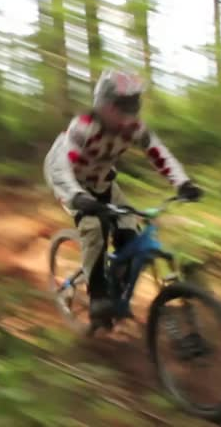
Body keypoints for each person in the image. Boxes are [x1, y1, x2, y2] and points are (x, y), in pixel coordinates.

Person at [43, 69, 203, 321]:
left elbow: (159, 153)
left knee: (129, 233)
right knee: (94, 226)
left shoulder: (135, 128)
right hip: (67, 179)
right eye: (123, 105)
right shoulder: (84, 127)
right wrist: (76, 196)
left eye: (134, 104)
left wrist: (182, 183)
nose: (130, 112)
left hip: (102, 181)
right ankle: (97, 296)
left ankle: (117, 288)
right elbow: (62, 166)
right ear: (104, 105)